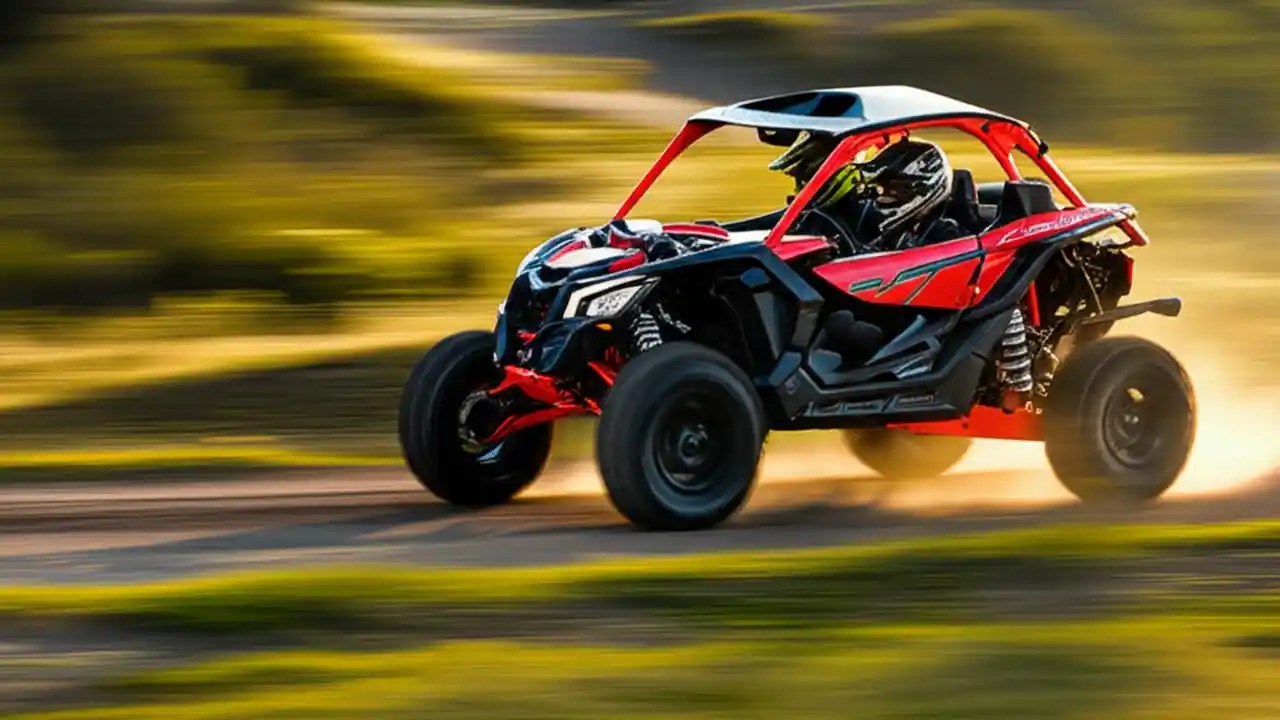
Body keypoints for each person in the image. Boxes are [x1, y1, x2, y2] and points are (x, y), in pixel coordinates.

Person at [769, 133, 963, 250]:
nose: (880, 195)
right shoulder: (885, 225)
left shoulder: (944, 234)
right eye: (880, 186)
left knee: (841, 319)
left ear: (922, 189)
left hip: (922, 313)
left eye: (891, 189)